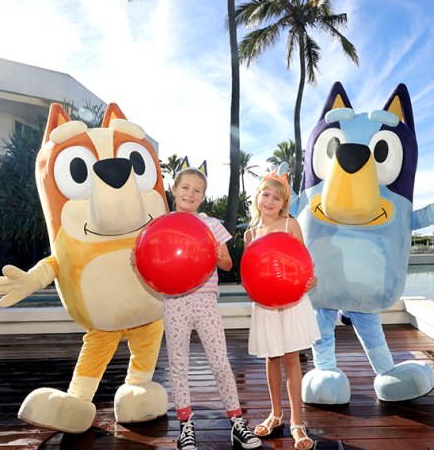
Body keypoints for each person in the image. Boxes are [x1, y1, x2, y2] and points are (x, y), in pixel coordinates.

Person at [136, 158, 261, 450]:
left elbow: (229, 264)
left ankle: (237, 422)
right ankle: (185, 426)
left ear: (203, 196)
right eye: (185, 188)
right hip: (175, 302)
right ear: (173, 189)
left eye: (197, 190)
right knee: (178, 365)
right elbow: (149, 260)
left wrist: (220, 255)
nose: (190, 194)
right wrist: (139, 258)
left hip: (205, 301)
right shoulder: (160, 225)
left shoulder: (212, 225)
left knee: (220, 362)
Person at [243, 164, 320, 450]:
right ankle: (276, 414)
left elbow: (304, 262)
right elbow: (251, 272)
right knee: (271, 357)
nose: (270, 202)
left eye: (277, 198)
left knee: (291, 358)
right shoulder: (250, 234)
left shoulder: (290, 225)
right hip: (265, 305)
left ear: (284, 203)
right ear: (258, 197)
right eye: (266, 195)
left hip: (291, 303)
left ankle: (297, 422)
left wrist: (310, 280)